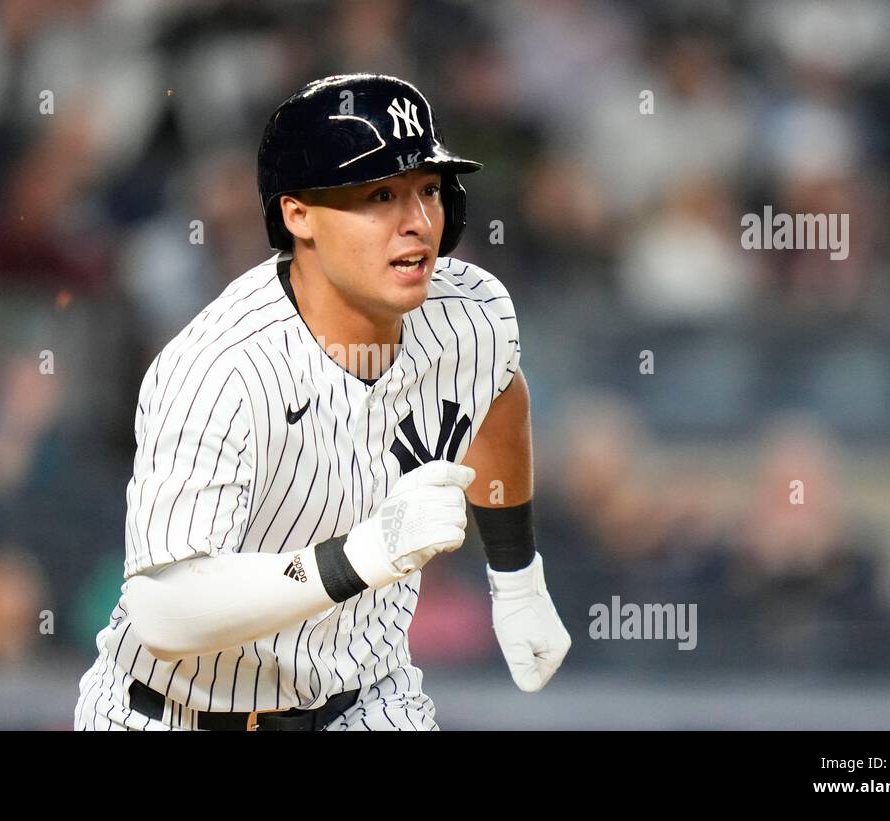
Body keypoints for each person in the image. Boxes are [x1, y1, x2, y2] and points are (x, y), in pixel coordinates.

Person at [74, 74, 569, 731]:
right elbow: (164, 611)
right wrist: (361, 554)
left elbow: (500, 395)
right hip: (180, 711)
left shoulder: (470, 313)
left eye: (428, 190)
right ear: (296, 213)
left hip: (362, 699)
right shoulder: (221, 367)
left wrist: (518, 579)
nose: (417, 222)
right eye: (380, 195)